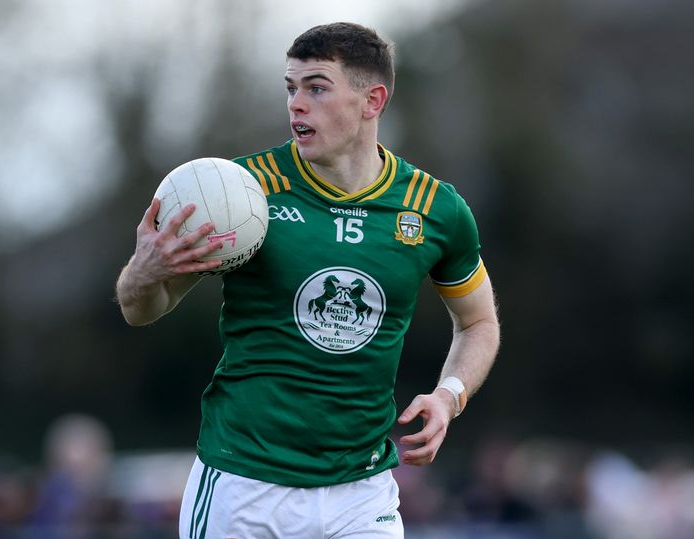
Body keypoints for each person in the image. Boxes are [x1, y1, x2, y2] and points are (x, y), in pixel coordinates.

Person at [115, 22, 500, 539]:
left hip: (362, 493)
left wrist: (448, 396)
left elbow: (478, 323)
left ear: (372, 100)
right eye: (291, 88)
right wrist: (143, 273)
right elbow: (141, 308)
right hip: (245, 485)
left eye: (317, 87)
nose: (297, 103)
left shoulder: (435, 210)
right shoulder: (241, 195)